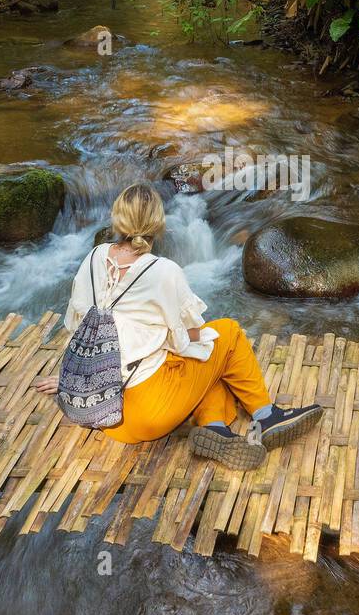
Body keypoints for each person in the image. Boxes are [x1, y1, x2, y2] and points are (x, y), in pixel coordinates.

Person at [34, 182, 323, 468]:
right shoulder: (163, 271)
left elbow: (77, 326)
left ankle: (214, 428)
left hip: (100, 410)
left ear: (116, 219)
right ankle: (267, 416)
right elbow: (189, 336)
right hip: (148, 413)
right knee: (225, 335)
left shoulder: (94, 258)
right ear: (159, 223)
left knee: (201, 362)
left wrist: (70, 380)